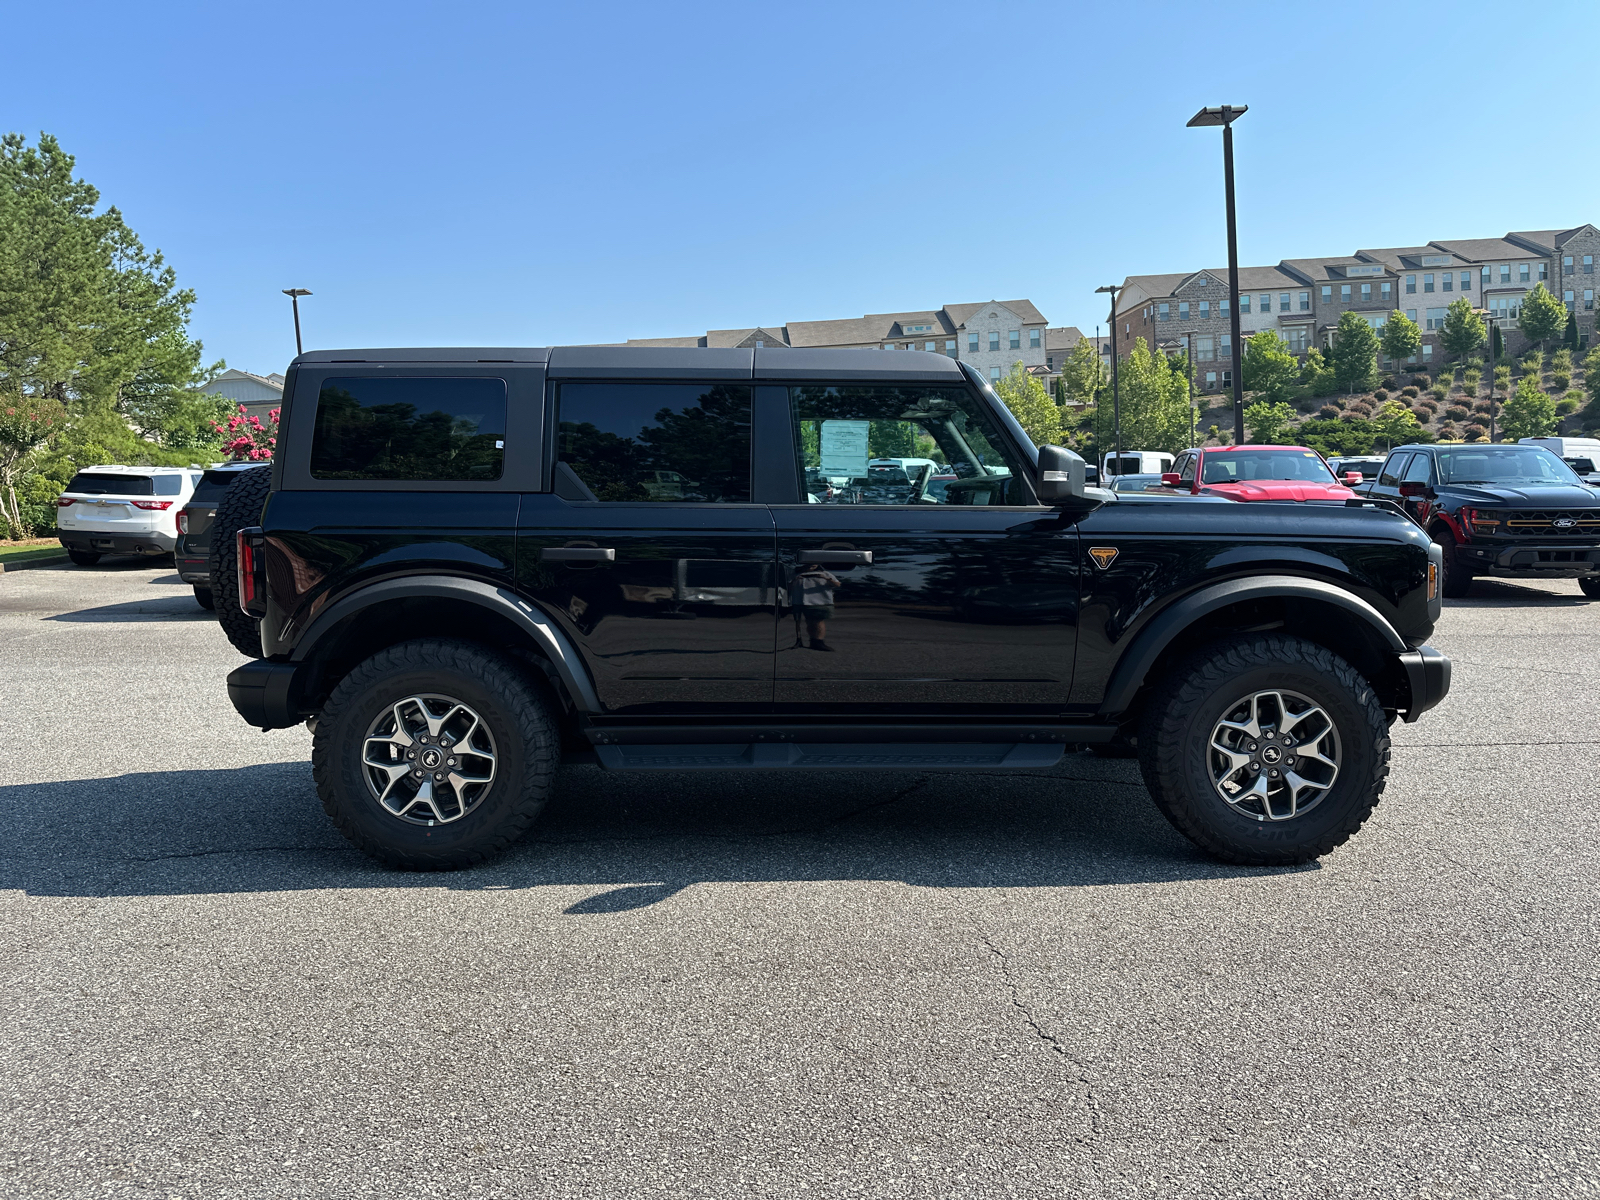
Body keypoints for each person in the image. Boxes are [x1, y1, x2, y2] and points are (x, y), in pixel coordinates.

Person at [794, 564, 841, 651]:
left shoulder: (825, 573)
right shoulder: (795, 574)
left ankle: (818, 642)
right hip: (800, 601)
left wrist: (826, 578)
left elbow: (837, 584)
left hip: (820, 601)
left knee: (817, 621)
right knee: (804, 621)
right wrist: (795, 580)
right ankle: (801, 640)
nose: (811, 564)